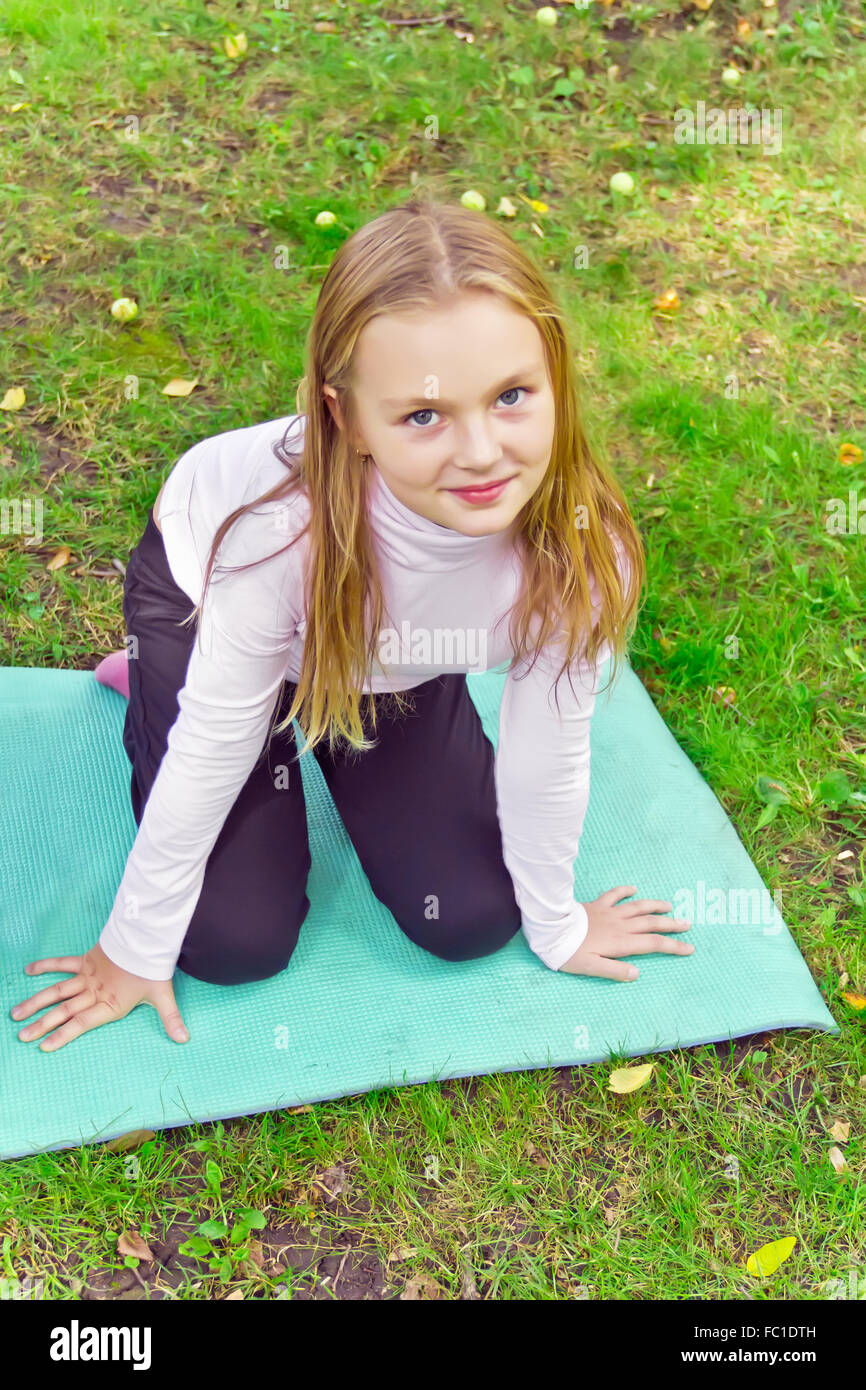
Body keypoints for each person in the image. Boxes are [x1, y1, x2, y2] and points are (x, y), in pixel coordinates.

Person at [11, 198, 693, 1053]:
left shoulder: (584, 548)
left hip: (389, 652)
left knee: (477, 917)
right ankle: (153, 682)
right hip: (208, 605)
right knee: (233, 944)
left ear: (556, 377)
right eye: (423, 415)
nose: (482, 453)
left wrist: (557, 924)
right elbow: (215, 747)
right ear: (346, 417)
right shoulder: (272, 542)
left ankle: (322, 702)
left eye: (512, 395)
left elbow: (546, 747)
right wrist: (130, 947)